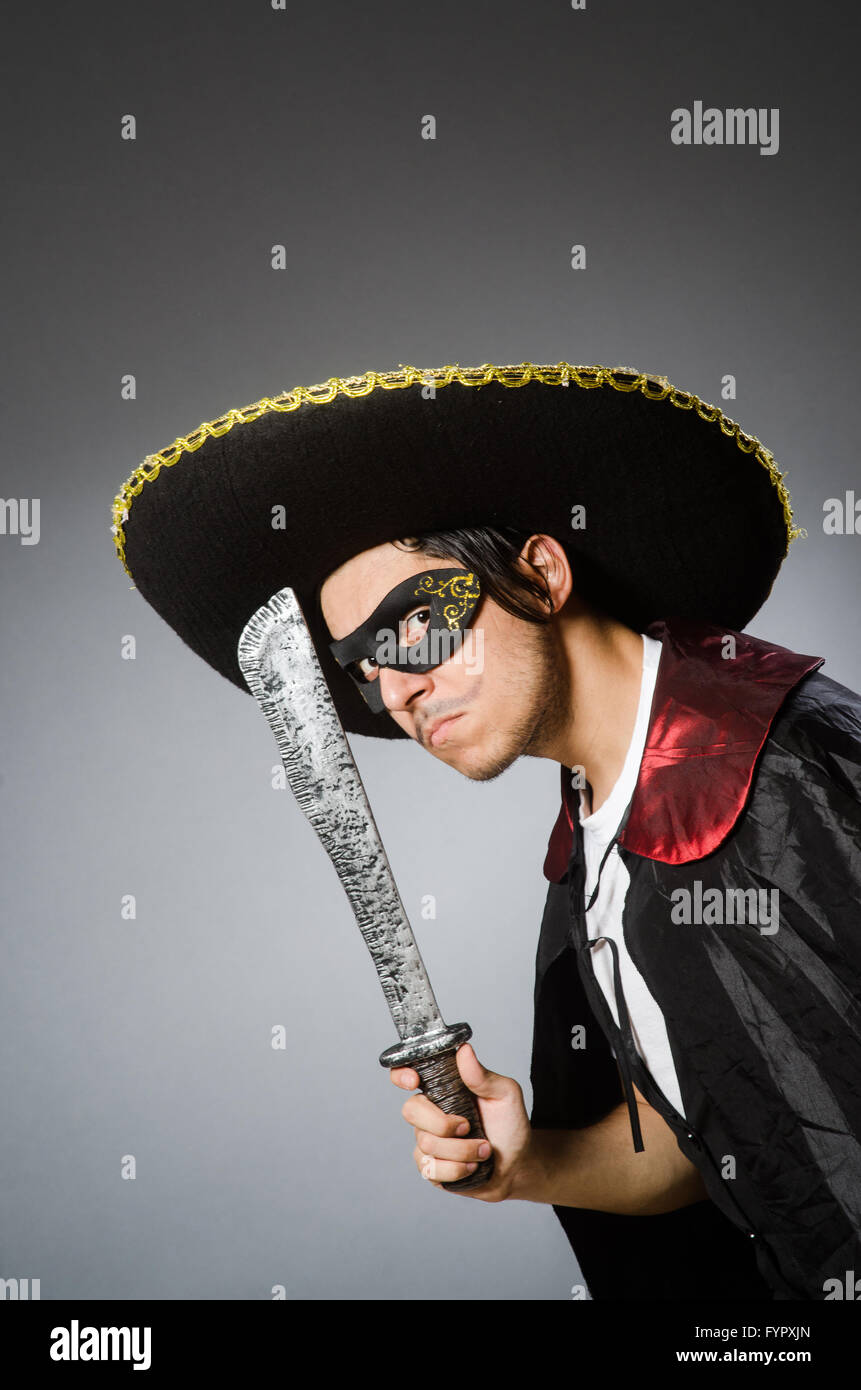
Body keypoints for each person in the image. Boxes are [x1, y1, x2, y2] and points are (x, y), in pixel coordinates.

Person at [111, 361, 861, 1300]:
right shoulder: (598, 835)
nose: (394, 693)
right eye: (361, 672)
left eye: (414, 626)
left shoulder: (792, 774)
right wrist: (530, 1165)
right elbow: (722, 1135)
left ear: (541, 574)